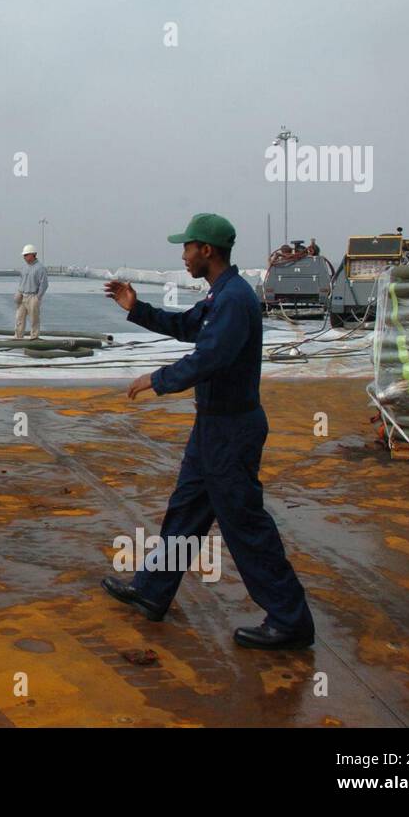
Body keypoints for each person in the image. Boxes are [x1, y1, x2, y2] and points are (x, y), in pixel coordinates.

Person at [101, 213, 315, 651]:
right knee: (185, 512)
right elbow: (187, 327)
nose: (183, 256)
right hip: (213, 427)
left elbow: (210, 358)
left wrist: (156, 380)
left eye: (187, 248)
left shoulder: (235, 299)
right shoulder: (222, 295)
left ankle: (290, 619)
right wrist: (135, 308)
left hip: (231, 430)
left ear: (207, 251)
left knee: (245, 523)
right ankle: (151, 589)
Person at [14, 244, 48, 339]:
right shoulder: (24, 268)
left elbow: (44, 284)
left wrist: (37, 297)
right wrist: (19, 293)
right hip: (23, 296)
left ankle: (34, 337)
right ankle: (18, 337)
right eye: (24, 255)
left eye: (26, 255)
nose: (24, 257)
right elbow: (22, 281)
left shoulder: (40, 268)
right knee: (19, 318)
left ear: (33, 254)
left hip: (33, 296)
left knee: (34, 319)